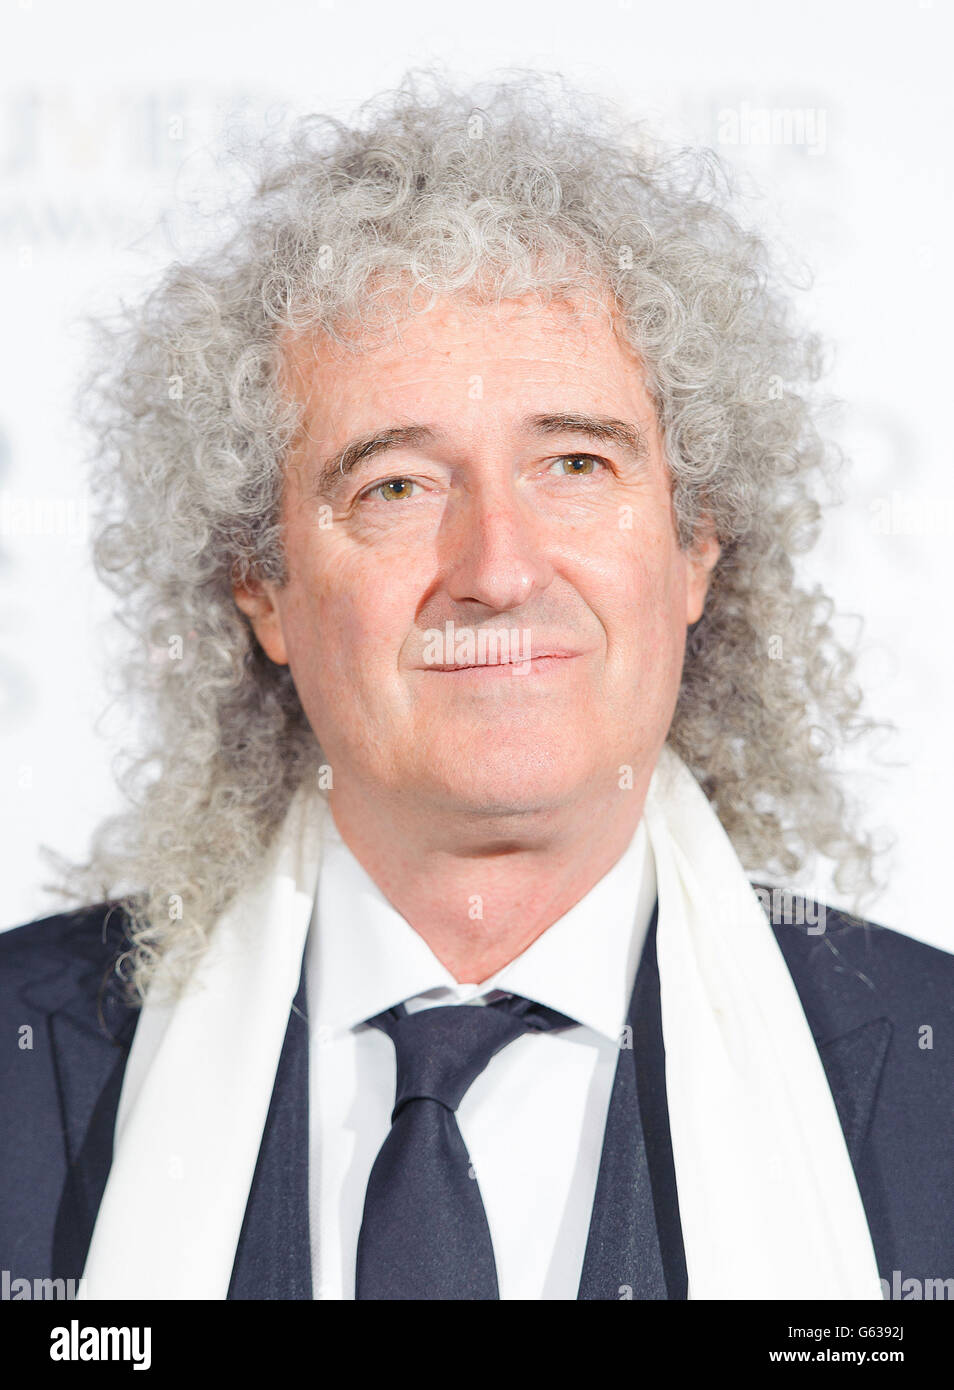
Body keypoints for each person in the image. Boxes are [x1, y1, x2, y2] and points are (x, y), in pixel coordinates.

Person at [2, 69, 952, 1302]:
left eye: (574, 462)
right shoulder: (27, 1066)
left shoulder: (930, 1079)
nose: (497, 569)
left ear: (695, 548)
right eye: (394, 485)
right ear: (263, 586)